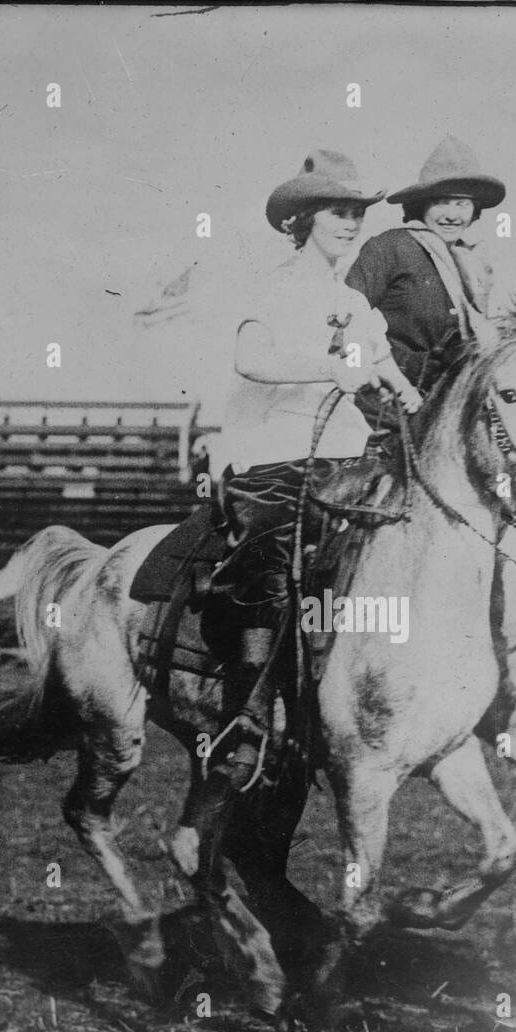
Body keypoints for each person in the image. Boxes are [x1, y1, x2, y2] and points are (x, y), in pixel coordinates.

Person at [210, 149, 421, 791]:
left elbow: (385, 370)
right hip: (272, 457)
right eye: (340, 211)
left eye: (358, 212)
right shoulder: (270, 286)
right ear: (302, 218)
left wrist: (418, 404)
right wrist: (326, 367)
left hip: (342, 461)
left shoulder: (352, 303)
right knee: (272, 566)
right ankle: (242, 722)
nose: (353, 222)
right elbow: (250, 360)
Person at [345, 135, 509, 433]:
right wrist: (373, 371)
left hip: (453, 408)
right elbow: (345, 315)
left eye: (461, 204)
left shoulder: (474, 266)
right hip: (388, 407)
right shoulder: (391, 247)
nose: (451, 214)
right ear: (422, 206)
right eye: (441, 202)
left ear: (475, 211)